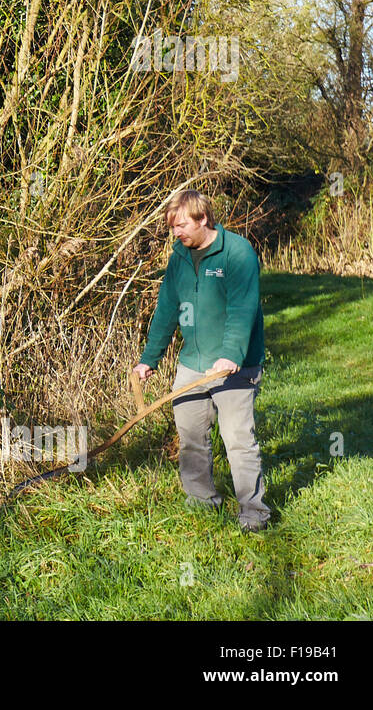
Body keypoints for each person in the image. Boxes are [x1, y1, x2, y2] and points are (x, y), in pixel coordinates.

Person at [131, 189, 271, 532]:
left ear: (203, 218)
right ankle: (201, 501)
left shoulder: (237, 253)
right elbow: (167, 311)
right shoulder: (179, 257)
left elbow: (243, 310)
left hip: (234, 367)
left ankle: (253, 512)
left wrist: (231, 355)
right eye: (172, 228)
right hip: (192, 363)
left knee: (238, 440)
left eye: (181, 226)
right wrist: (150, 358)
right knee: (191, 435)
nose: (176, 233)